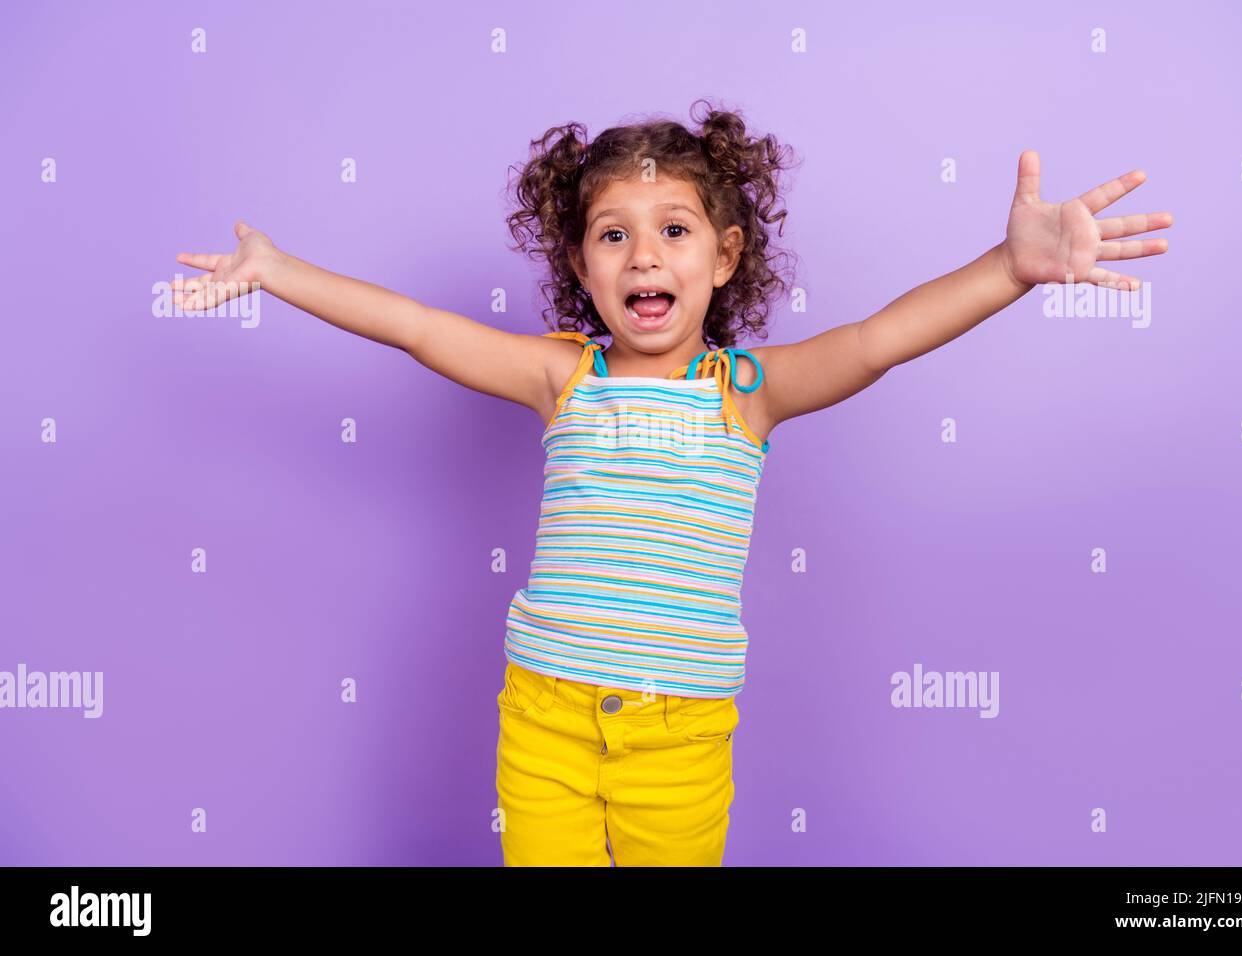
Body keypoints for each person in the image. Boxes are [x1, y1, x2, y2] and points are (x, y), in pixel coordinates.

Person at [173, 98, 1173, 867]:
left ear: (726, 256)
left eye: (674, 230)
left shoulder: (748, 390)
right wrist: (278, 269)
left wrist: (1008, 266)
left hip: (680, 731)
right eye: (612, 233)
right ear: (579, 261)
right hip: (545, 718)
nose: (643, 252)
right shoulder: (563, 374)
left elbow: (877, 342)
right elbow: (416, 327)